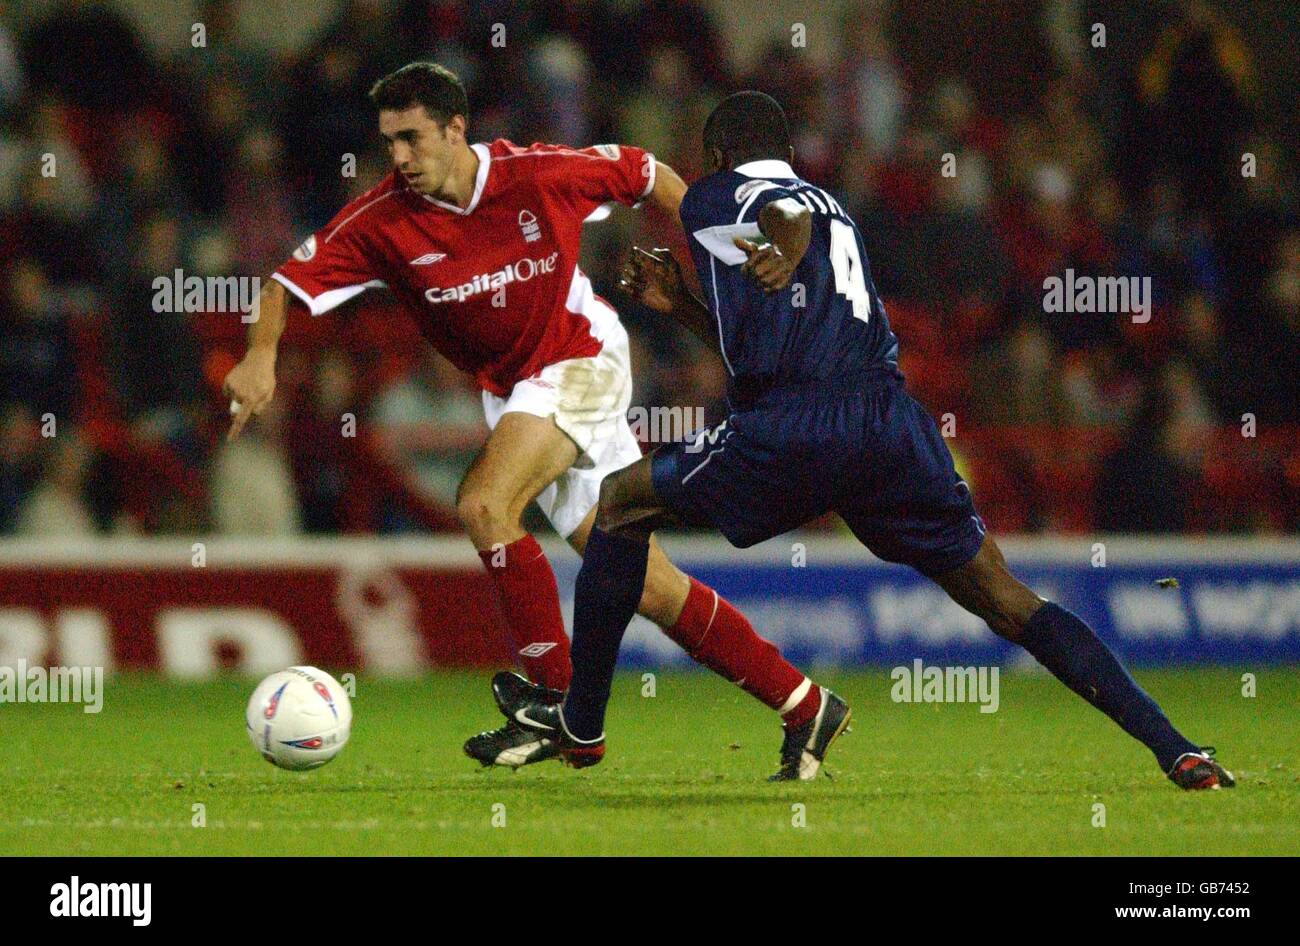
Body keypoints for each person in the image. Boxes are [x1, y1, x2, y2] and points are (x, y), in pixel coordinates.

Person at [499, 91, 1233, 790]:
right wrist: (685, 305)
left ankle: (582, 723)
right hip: (887, 423)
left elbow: (784, 222)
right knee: (1005, 598)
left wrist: (783, 246)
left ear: (716, 154)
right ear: (788, 149)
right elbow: (772, 326)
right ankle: (1177, 748)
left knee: (621, 502)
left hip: (797, 425)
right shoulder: (840, 207)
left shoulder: (717, 196)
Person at [221, 64, 831, 772]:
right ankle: (806, 706)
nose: (398, 159)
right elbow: (282, 285)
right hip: (520, 393)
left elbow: (643, 171)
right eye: (389, 143)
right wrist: (261, 356)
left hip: (581, 357)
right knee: (649, 587)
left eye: (412, 139)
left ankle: (561, 705)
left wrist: (721, 258)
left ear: (456, 129)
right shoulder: (382, 220)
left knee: (484, 503)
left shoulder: (535, 174)